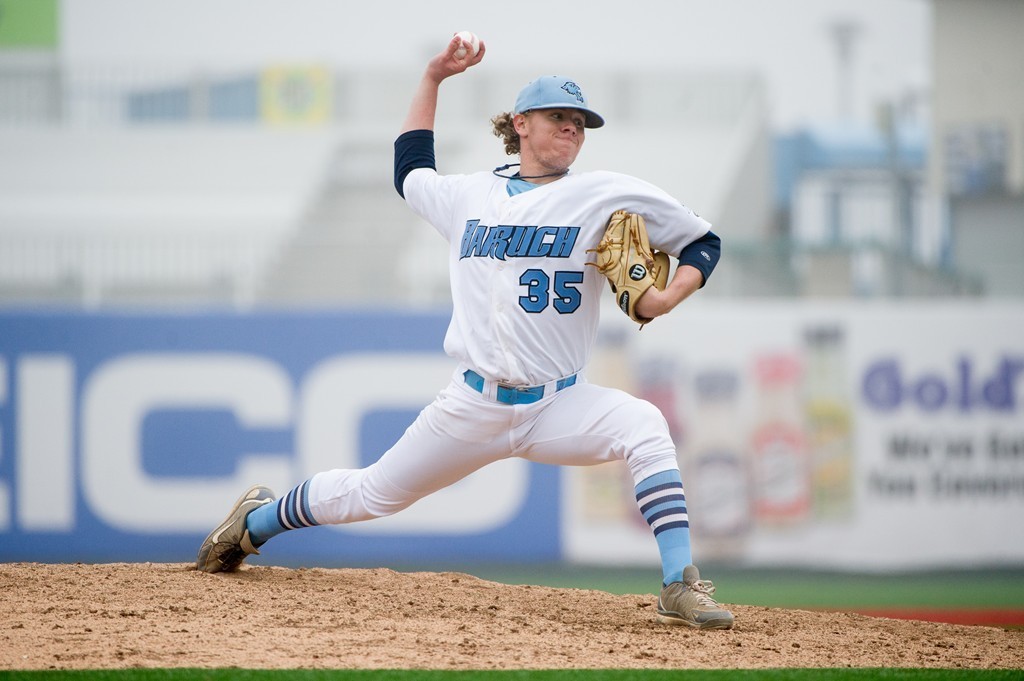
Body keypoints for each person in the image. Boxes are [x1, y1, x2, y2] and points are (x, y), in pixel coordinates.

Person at [196, 33, 733, 630]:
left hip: (559, 402)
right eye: (560, 117)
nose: (573, 130)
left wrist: (665, 296)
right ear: (521, 123)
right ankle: (256, 523)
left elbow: (702, 240)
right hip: (472, 404)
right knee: (374, 494)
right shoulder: (469, 194)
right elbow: (408, 171)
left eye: (581, 123)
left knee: (644, 425)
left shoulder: (605, 193)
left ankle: (678, 584)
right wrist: (432, 79)